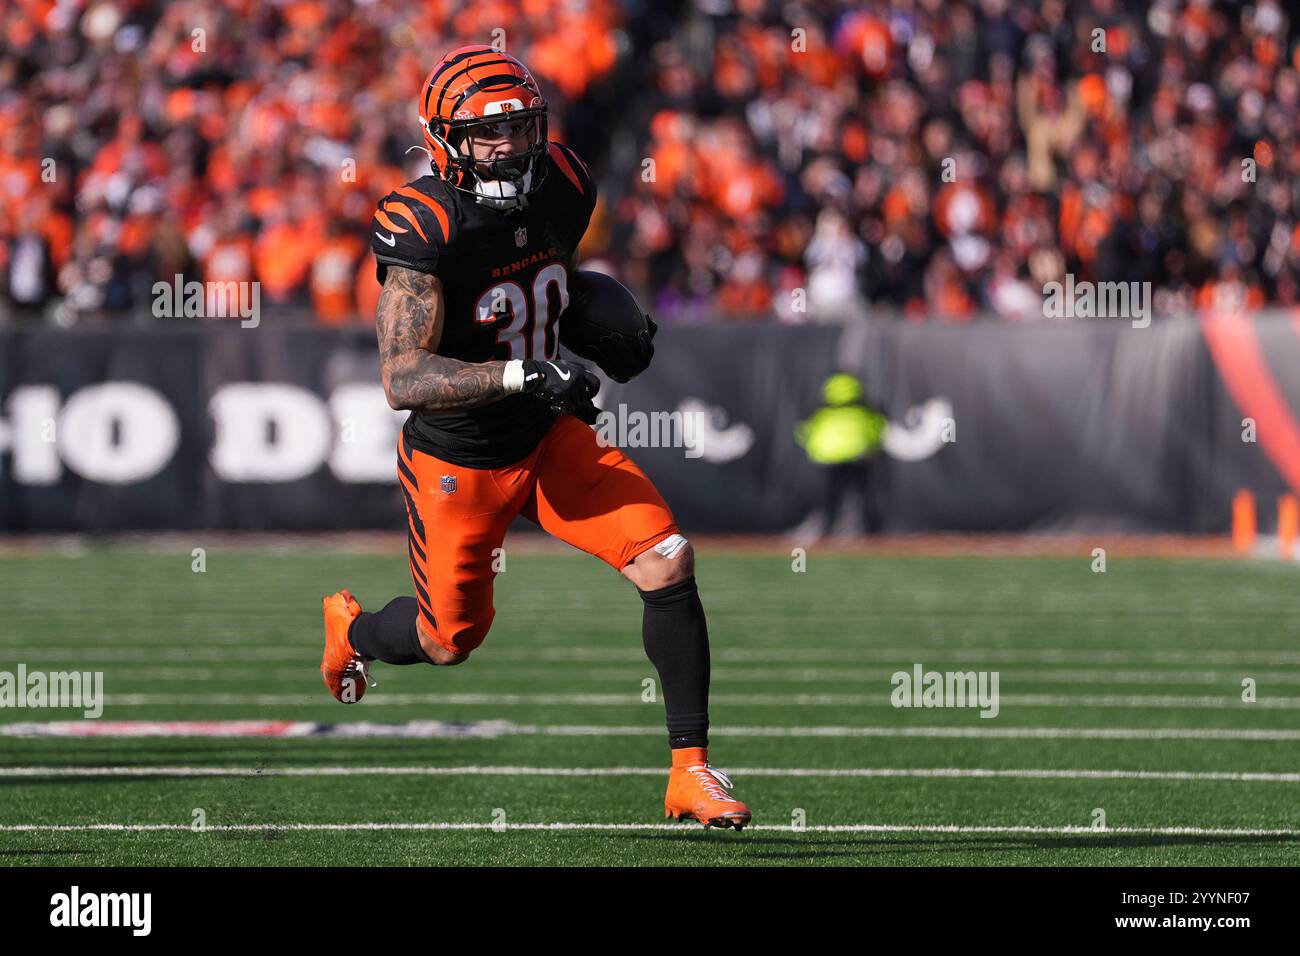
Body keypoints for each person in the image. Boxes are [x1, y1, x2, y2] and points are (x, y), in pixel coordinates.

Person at [319, 45, 750, 830]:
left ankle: (691, 773)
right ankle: (350, 629)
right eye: (489, 136)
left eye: (520, 130)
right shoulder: (423, 222)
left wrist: (588, 319)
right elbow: (401, 377)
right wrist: (523, 373)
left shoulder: (566, 183)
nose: (508, 148)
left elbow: (547, 273)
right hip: (460, 459)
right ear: (445, 142)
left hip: (547, 436)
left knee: (666, 557)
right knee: (447, 640)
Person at [795, 373, 888, 536]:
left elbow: (803, 432)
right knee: (862, 498)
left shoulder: (820, 411)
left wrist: (813, 449)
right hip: (858, 457)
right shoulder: (865, 410)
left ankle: (826, 530)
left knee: (829, 499)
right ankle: (868, 532)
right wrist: (873, 449)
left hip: (829, 459)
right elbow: (878, 430)